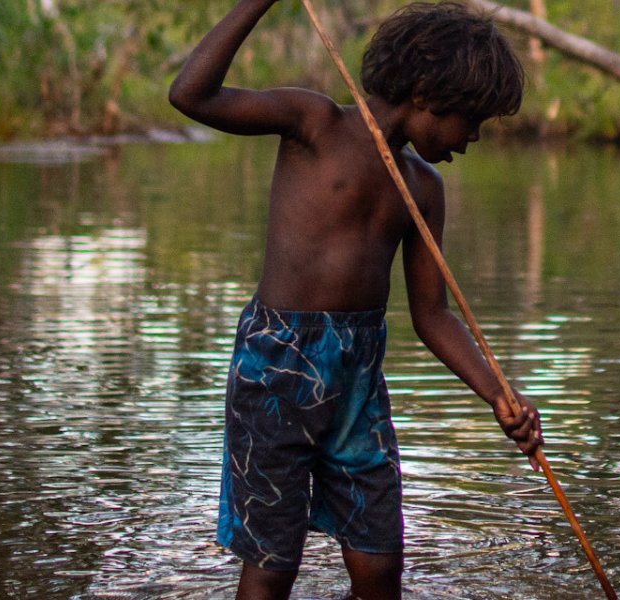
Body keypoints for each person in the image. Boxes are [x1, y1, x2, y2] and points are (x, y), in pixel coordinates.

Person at [168, 3, 540, 599]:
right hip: (276, 367)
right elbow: (190, 94)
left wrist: (501, 394)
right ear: (425, 93)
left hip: (357, 380)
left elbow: (432, 316)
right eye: (472, 121)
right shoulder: (313, 123)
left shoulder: (423, 188)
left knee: (379, 562)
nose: (472, 139)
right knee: (271, 564)